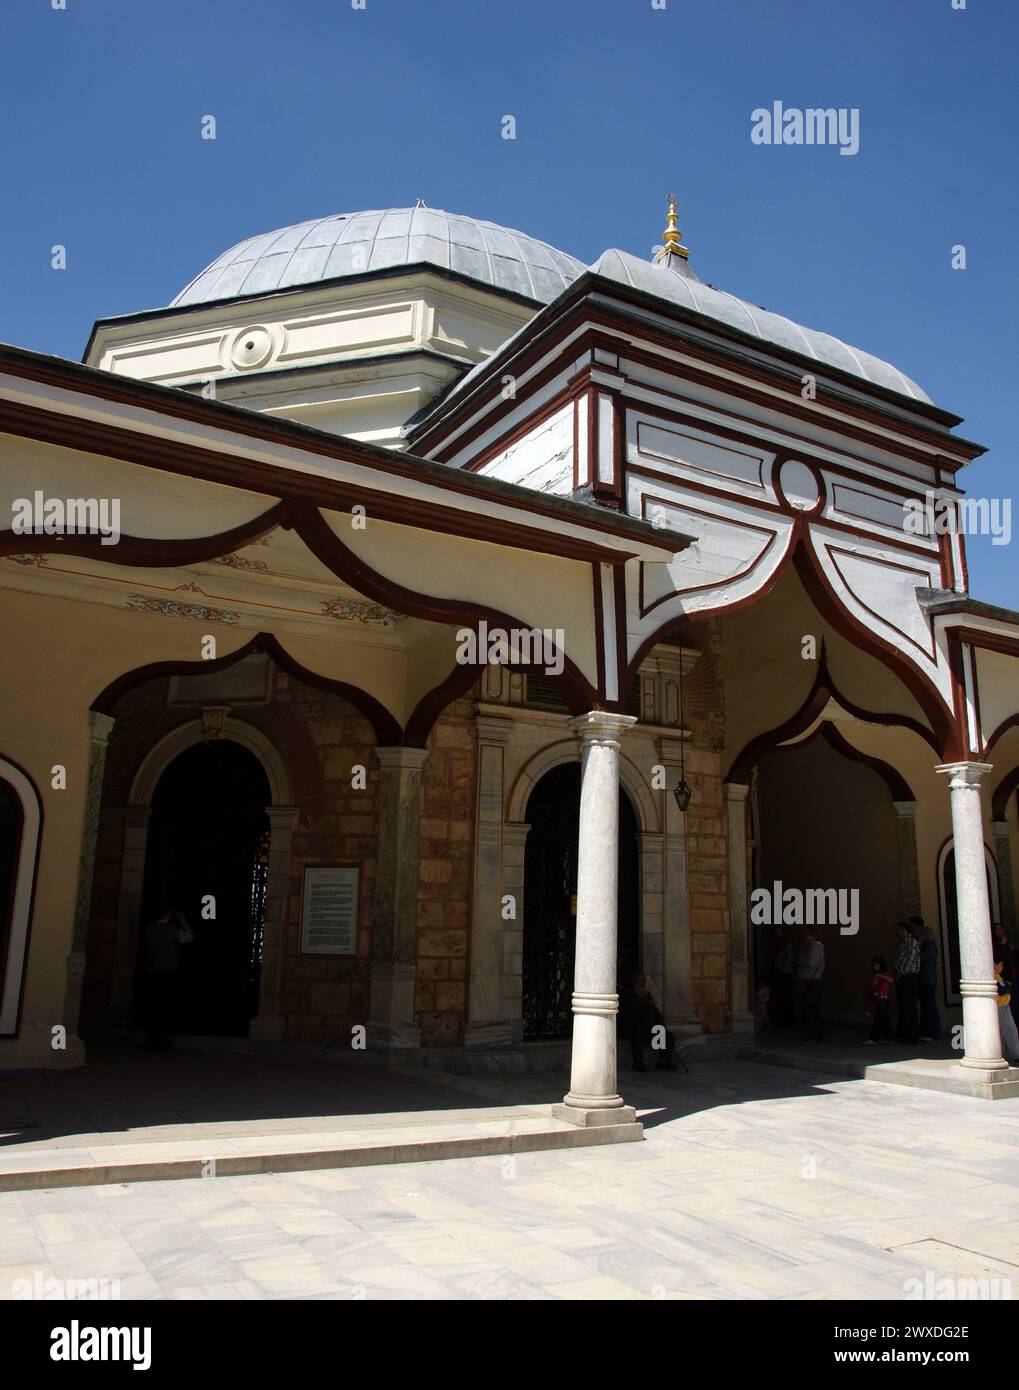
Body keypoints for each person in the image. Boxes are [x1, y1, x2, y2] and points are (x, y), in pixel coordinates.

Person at [142, 904, 192, 1050]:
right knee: (164, 1006)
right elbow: (189, 937)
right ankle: (161, 1039)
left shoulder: (148, 929)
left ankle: (151, 1039)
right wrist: (183, 922)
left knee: (152, 1006)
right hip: (167, 972)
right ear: (169, 914)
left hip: (151, 972)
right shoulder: (172, 930)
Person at [623, 971, 678, 1072]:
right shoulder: (628, 993)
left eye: (644, 980)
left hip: (648, 1028)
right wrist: (645, 1001)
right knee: (637, 1030)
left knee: (668, 1036)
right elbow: (633, 1007)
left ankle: (663, 1061)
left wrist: (660, 1022)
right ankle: (638, 1063)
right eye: (641, 980)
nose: (643, 982)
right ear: (634, 981)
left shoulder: (647, 994)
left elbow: (655, 1011)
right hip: (633, 1028)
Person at [910, 916, 941, 1042]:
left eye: (912, 927)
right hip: (922, 979)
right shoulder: (923, 946)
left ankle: (933, 1033)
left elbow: (920, 959)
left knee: (929, 1005)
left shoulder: (930, 946)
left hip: (928, 979)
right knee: (924, 1005)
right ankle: (924, 1031)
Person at [796, 928, 825, 1045]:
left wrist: (801, 959)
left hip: (811, 982)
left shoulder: (814, 948)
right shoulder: (817, 948)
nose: (805, 938)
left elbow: (811, 964)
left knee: (807, 1009)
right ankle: (816, 1035)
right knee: (814, 1010)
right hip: (814, 982)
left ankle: (813, 1036)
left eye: (807, 935)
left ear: (812, 936)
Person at [894, 920, 920, 1045]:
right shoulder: (904, 943)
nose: (897, 934)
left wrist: (901, 973)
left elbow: (910, 960)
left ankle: (910, 1036)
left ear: (904, 930)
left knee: (909, 1007)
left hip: (909, 978)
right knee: (903, 1007)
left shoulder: (912, 942)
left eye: (898, 931)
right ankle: (903, 1035)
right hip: (903, 977)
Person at [992, 924, 1019, 1031]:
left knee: (1015, 1004)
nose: (999, 932)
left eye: (1001, 929)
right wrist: (1002, 945)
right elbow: (997, 956)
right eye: (997, 930)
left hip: (1013, 978)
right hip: (1002, 980)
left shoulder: (1009, 944)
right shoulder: (994, 945)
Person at [864, 955, 895, 1045]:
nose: (875, 966)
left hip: (881, 1000)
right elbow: (874, 986)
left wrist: (880, 976)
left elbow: (891, 980)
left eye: (877, 964)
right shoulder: (877, 976)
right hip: (879, 999)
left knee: (878, 1019)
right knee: (883, 1019)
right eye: (874, 964)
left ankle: (874, 1038)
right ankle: (887, 1037)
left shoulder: (883, 974)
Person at [994, 960, 1019, 1064]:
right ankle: (1016, 1054)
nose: (1002, 967)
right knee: (1010, 1031)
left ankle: (1005, 1055)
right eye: (1001, 965)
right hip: (1001, 1006)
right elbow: (1003, 989)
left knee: (1001, 1033)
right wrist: (1008, 985)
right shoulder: (994, 976)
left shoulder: (996, 975)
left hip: (999, 1006)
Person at [771, 927, 795, 1028]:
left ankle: (789, 1021)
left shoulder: (787, 945)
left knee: (787, 998)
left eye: (779, 932)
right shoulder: (774, 946)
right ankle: (781, 1021)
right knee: (779, 998)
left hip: (786, 973)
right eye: (776, 933)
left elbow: (788, 960)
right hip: (778, 973)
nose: (777, 935)